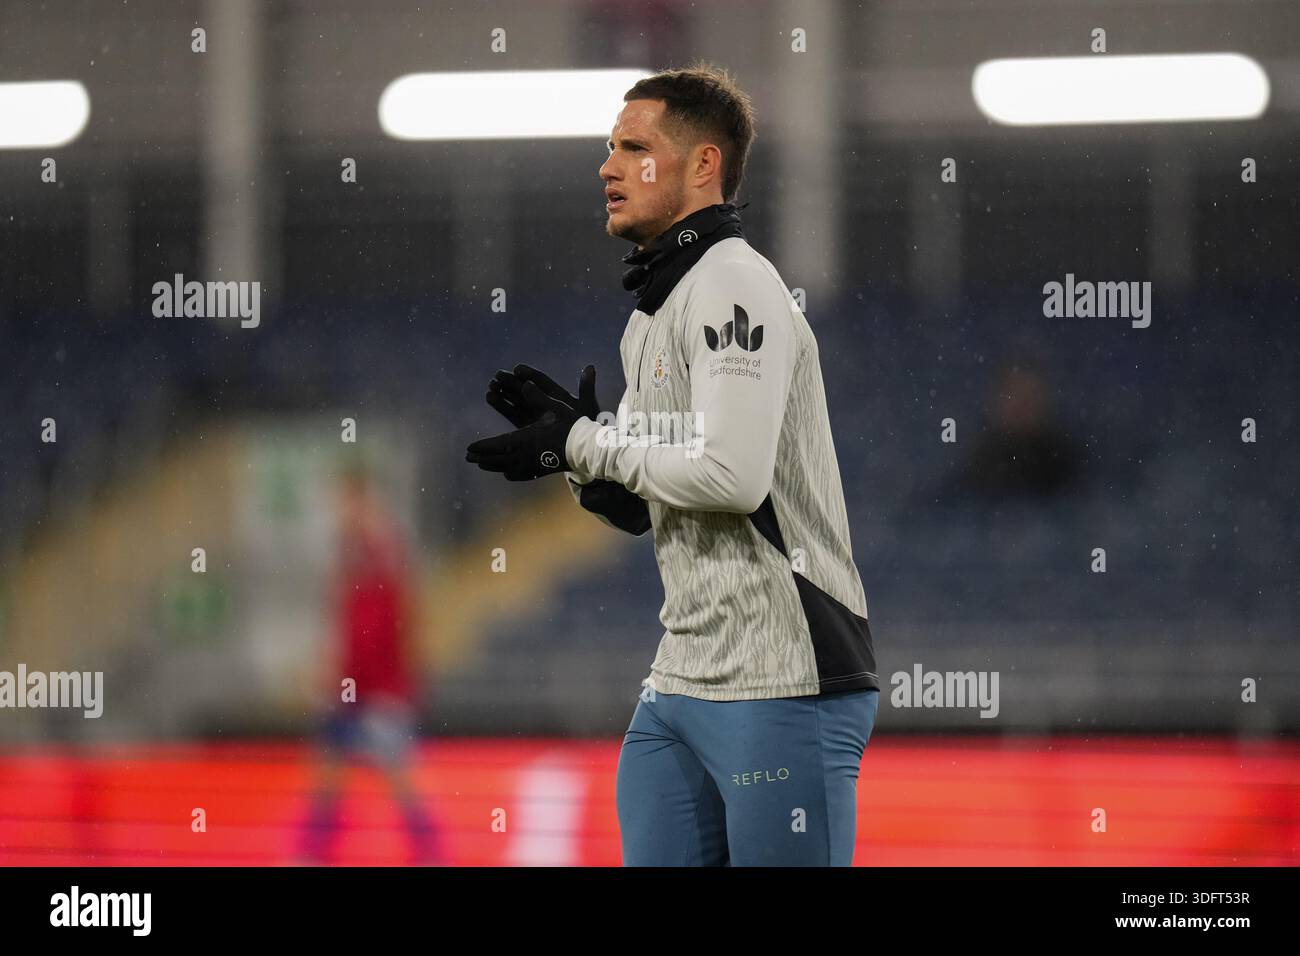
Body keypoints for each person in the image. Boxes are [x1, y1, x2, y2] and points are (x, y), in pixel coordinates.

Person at [466, 64, 879, 866]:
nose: (608, 166)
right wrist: (581, 458)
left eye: (634, 147)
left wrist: (582, 443)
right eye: (608, 147)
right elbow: (646, 503)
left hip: (784, 681)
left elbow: (731, 477)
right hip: (681, 681)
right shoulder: (654, 311)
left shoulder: (733, 286)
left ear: (702, 167)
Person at [299, 463, 446, 865]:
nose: (339, 510)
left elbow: (396, 622)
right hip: (353, 685)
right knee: (328, 771)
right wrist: (330, 670)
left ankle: (431, 854)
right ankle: (312, 853)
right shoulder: (350, 552)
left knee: (398, 774)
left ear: (361, 500)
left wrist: (400, 685)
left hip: (381, 686)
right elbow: (346, 623)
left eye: (345, 501)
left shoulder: (383, 549)